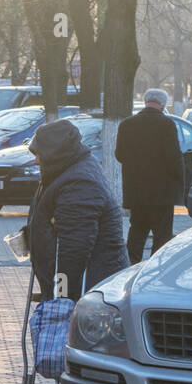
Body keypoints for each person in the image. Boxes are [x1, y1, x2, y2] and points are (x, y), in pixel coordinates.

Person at [27, 118, 127, 305]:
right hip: (83, 283)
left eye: (39, 154)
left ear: (55, 152)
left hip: (90, 287)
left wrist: (62, 293)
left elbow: (73, 250)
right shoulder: (68, 170)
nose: (35, 160)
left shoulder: (79, 183)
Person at [115, 87, 185, 264]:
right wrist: (180, 183)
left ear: (146, 102)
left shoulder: (126, 124)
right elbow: (174, 158)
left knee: (137, 232)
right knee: (162, 236)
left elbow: (119, 155)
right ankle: (155, 269)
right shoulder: (167, 125)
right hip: (162, 194)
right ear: (162, 105)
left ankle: (130, 267)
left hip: (136, 192)